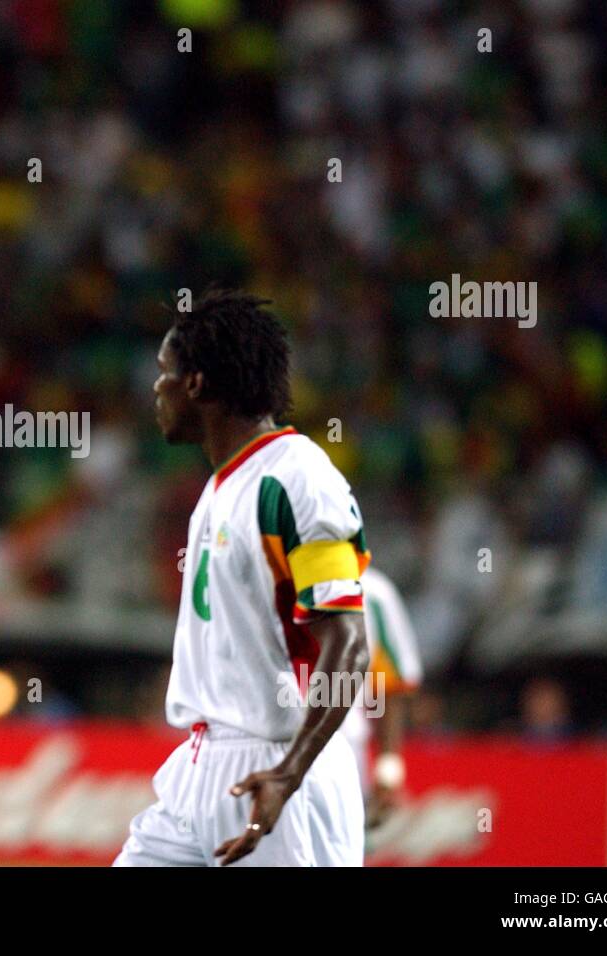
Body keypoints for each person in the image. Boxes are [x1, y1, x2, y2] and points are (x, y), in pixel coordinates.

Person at [115, 291, 369, 866]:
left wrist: (289, 771)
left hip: (277, 769)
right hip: (199, 765)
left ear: (198, 384)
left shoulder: (298, 479)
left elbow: (348, 641)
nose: (157, 389)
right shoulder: (221, 486)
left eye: (165, 374)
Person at [339, 566, 424, 829]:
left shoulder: (372, 591)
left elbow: (389, 687)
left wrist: (388, 769)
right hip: (264, 743)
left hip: (343, 748)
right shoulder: (268, 574)